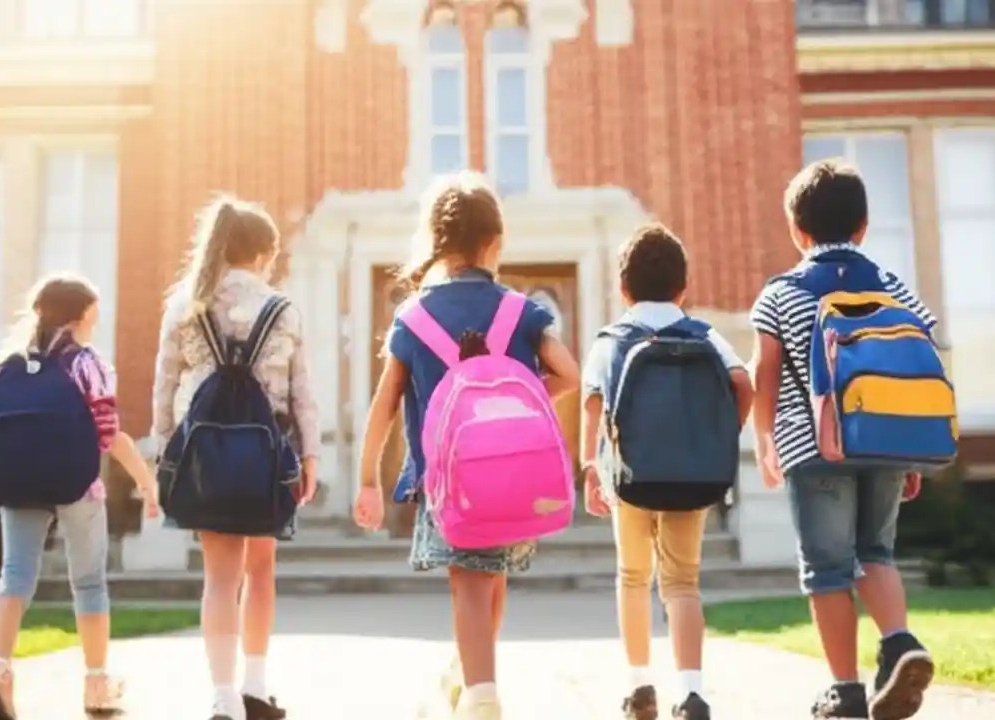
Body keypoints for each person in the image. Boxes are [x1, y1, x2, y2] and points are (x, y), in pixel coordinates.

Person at [352, 172, 581, 720]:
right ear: (493, 244)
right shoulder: (518, 311)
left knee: (470, 585)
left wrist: (367, 480)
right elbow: (570, 373)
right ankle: (472, 673)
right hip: (512, 475)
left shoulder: (413, 318)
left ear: (437, 244)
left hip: (449, 478)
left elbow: (384, 403)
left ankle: (480, 695)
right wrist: (524, 398)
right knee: (490, 576)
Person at [750, 159, 935, 720]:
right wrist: (912, 449)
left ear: (796, 231)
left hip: (815, 449)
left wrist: (764, 437)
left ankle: (845, 691)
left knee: (827, 569)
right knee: (875, 552)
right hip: (884, 441)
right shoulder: (891, 284)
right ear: (863, 227)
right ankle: (900, 641)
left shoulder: (781, 292)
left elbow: (765, 369)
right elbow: (919, 353)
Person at [152, 196, 322, 720]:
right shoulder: (283, 309)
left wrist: (163, 453)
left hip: (204, 457)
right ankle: (254, 687)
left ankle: (222, 696)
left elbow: (163, 389)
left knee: (219, 580)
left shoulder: (185, 305)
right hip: (266, 457)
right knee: (262, 571)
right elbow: (301, 393)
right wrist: (311, 456)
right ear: (265, 253)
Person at [581, 225, 753, 720]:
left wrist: (591, 468)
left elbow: (592, 408)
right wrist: (718, 437)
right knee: (682, 583)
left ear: (623, 288)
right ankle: (692, 691)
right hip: (691, 475)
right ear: (684, 288)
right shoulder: (706, 337)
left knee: (633, 577)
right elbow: (743, 384)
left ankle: (640, 689)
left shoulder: (611, 341)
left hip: (630, 476)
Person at [0, 273, 159, 720]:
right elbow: (110, 436)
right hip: (78, 485)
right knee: (90, 582)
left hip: (18, 484)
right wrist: (146, 481)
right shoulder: (86, 364)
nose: (94, 325)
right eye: (92, 318)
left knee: (14, 574)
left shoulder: (5, 367)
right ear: (79, 318)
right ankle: (97, 685)